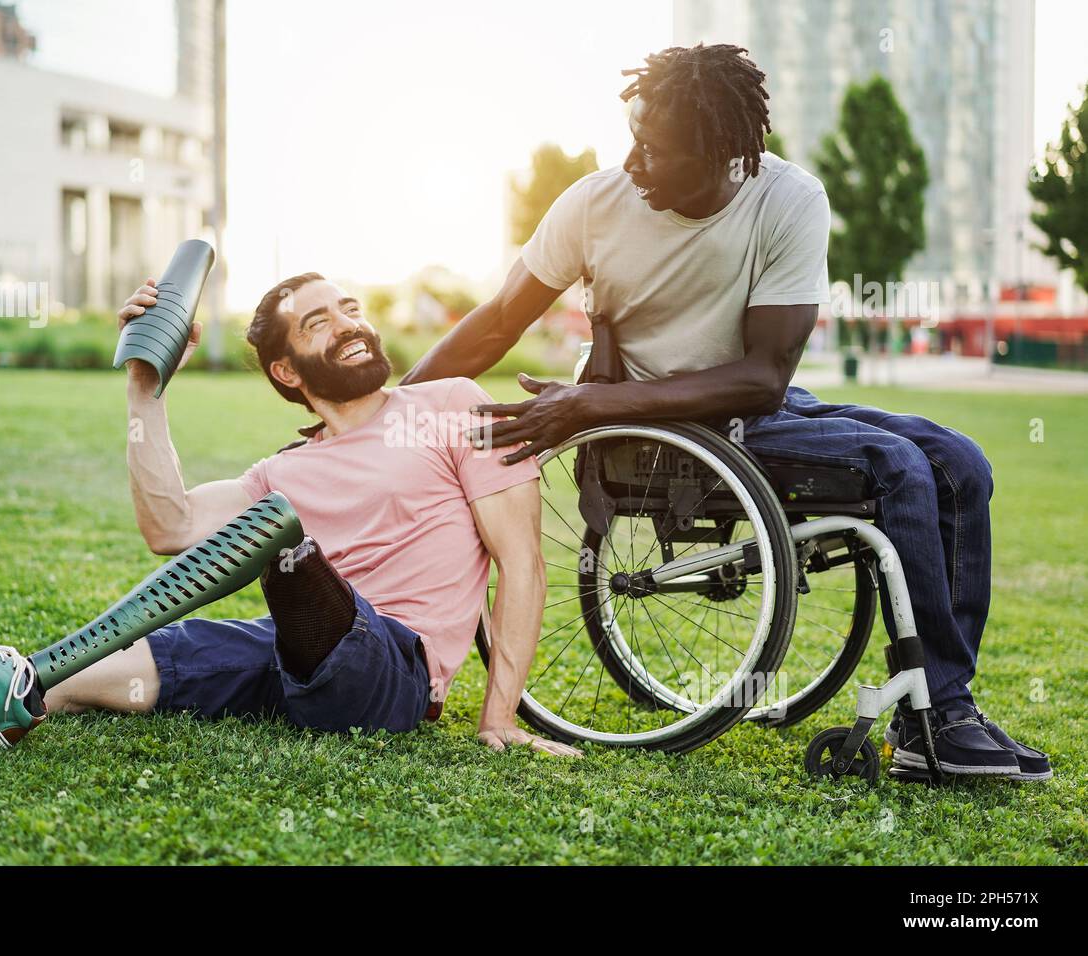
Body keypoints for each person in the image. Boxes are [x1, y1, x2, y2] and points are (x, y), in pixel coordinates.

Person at [399, 43, 1049, 781]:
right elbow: (495, 323)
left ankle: (945, 709)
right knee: (899, 467)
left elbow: (765, 377)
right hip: (657, 437)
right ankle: (939, 717)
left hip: (749, 409)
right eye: (633, 139)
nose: (633, 163)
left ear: (724, 153)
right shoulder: (594, 204)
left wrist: (593, 400)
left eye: (655, 150)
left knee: (960, 462)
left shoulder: (789, 200)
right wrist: (393, 410)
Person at [0, 273, 580, 758]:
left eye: (348, 308)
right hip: (289, 654)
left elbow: (523, 562)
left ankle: (25, 674)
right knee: (91, 678)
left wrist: (497, 717)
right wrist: (144, 382)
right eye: (318, 323)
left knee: (276, 529)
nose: (347, 325)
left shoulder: (454, 405)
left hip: (388, 678)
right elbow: (169, 525)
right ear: (285, 369)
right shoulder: (287, 470)